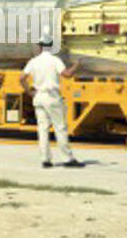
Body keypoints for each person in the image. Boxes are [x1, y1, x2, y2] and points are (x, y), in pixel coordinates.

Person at [22, 36, 83, 169]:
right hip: (52, 97)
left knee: (42, 129)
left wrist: (29, 92)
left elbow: (22, 78)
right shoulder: (55, 60)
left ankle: (46, 160)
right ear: (51, 46)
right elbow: (67, 74)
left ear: (40, 46)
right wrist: (76, 65)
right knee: (60, 128)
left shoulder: (33, 61)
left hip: (38, 97)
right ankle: (67, 159)